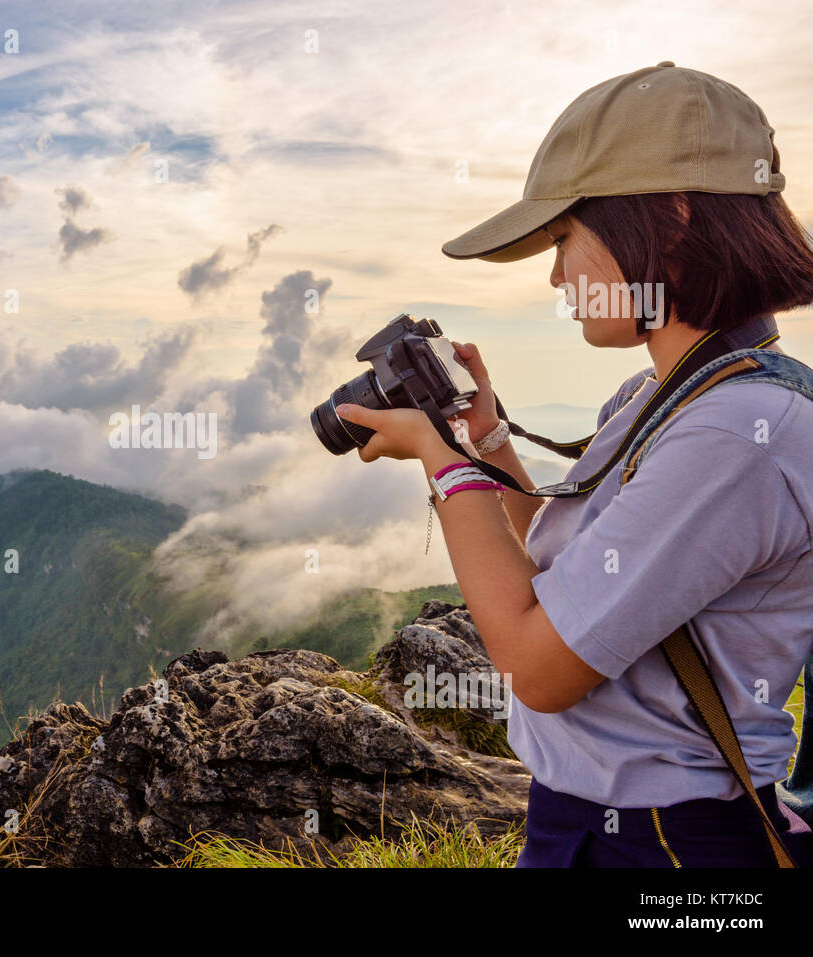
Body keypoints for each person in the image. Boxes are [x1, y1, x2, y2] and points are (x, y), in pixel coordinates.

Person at [336, 62, 813, 866]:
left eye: (562, 239)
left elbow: (540, 667)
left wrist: (441, 464)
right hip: (591, 818)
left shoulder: (739, 433)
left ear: (668, 218)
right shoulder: (667, 393)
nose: (557, 277)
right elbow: (576, 565)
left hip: (674, 840)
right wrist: (487, 439)